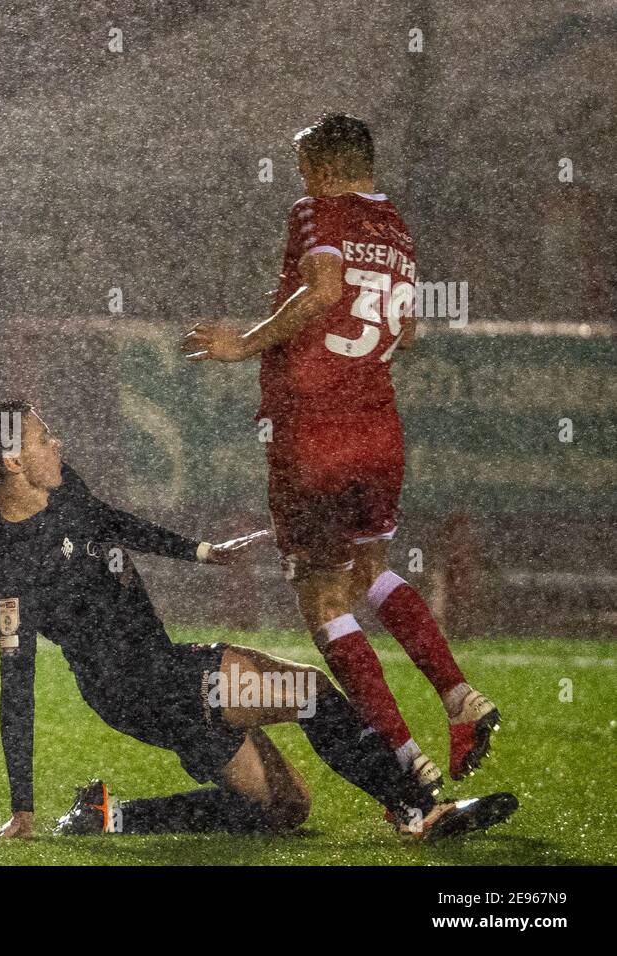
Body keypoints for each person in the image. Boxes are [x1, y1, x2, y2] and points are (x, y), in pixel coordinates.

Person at [0, 399, 516, 840]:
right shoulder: (11, 566)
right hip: (137, 688)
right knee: (307, 692)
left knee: (284, 809)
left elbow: (111, 520)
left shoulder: (64, 489)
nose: (55, 441)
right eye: (42, 437)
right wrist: (22, 808)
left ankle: (108, 816)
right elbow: (17, 689)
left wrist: (202, 551)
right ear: (12, 461)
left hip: (158, 671)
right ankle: (417, 811)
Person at [184, 113, 499, 794]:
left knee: (321, 597)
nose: (300, 180)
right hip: (379, 427)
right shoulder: (398, 229)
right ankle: (459, 700)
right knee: (369, 569)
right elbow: (405, 331)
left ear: (324, 170)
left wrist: (246, 343)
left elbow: (324, 288)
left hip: (314, 429)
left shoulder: (316, 210)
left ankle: (404, 763)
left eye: (303, 168)